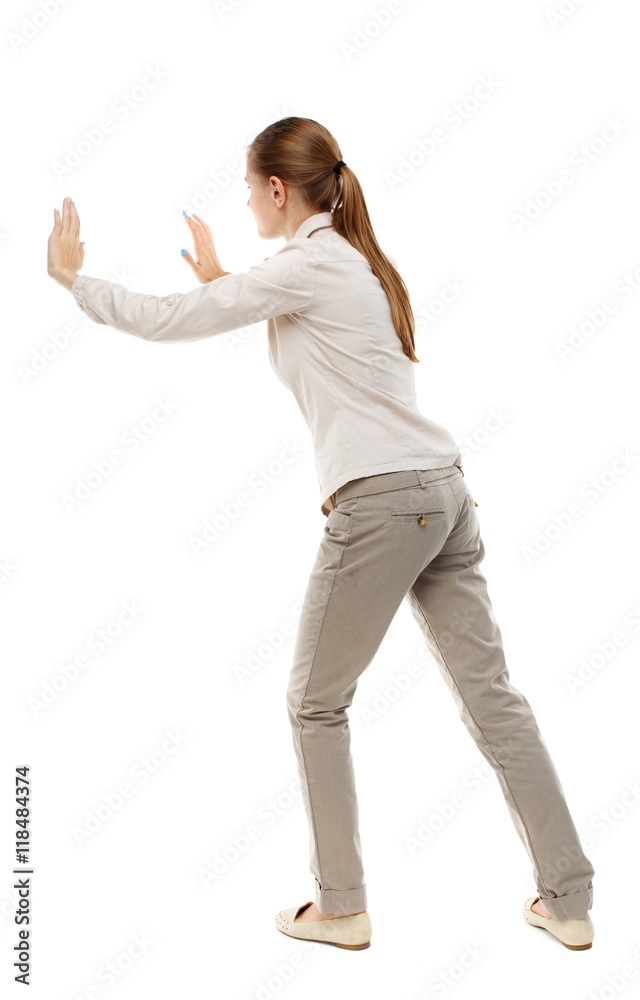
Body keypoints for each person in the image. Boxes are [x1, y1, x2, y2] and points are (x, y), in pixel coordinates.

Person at [47, 116, 595, 952]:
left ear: (277, 189)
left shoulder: (305, 265)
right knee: (495, 700)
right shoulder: (351, 259)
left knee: (314, 702)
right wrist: (225, 281)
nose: (246, 203)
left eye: (249, 190)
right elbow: (297, 325)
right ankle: (569, 902)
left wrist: (73, 281)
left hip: (384, 504)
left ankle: (341, 908)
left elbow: (169, 319)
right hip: (443, 494)